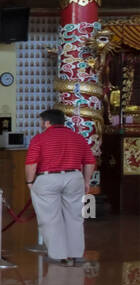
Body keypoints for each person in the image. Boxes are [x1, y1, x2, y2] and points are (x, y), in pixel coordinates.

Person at [25, 108, 96, 265]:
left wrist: (30, 182)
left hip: (48, 178)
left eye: (42, 122)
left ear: (48, 122)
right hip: (74, 177)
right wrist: (86, 181)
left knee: (50, 218)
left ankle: (59, 255)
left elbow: (31, 164)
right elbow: (90, 162)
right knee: (75, 217)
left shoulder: (39, 139)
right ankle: (76, 254)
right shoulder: (78, 138)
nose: (41, 125)